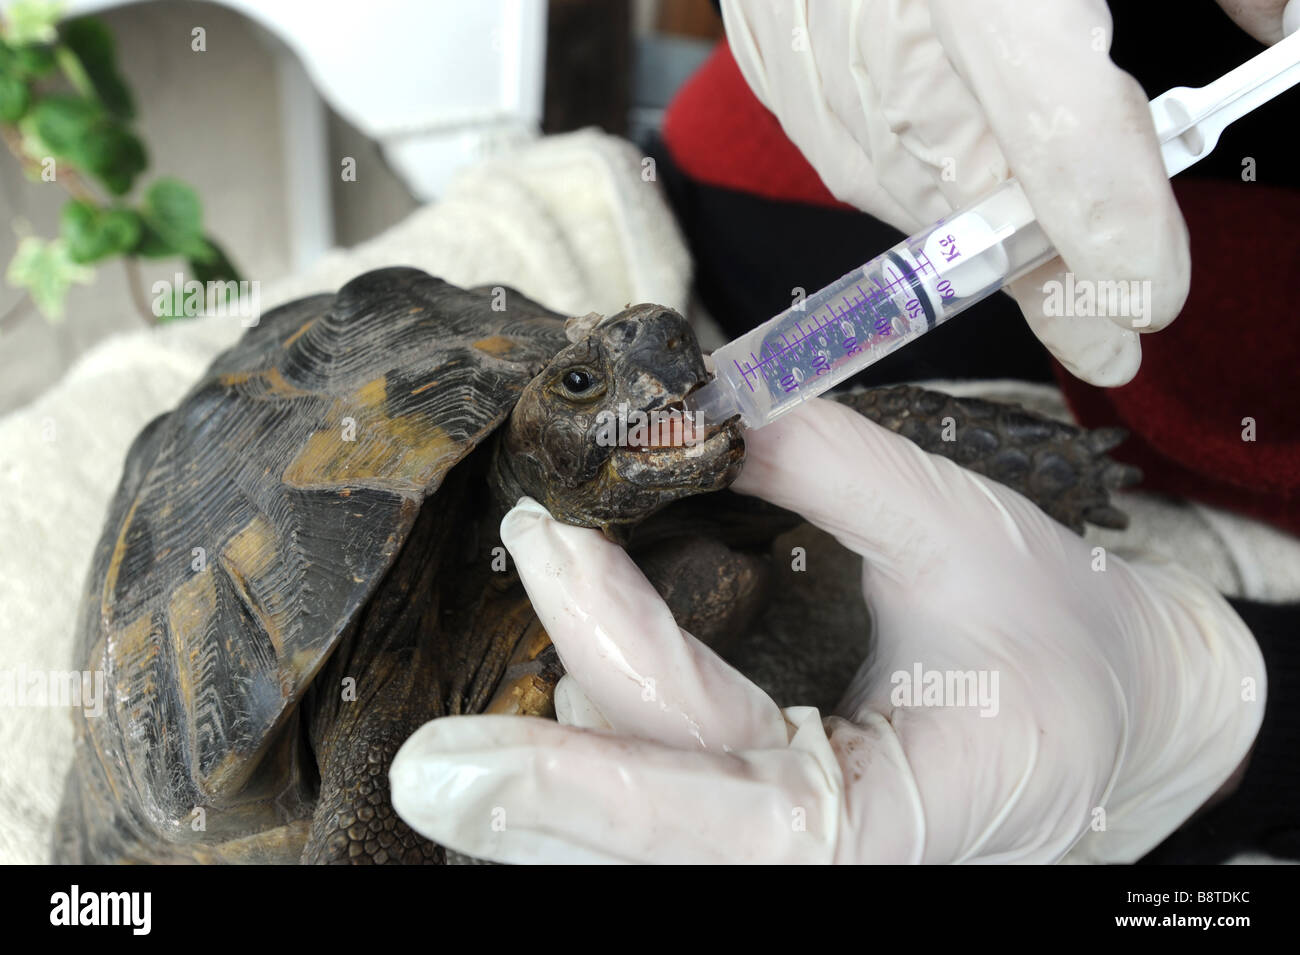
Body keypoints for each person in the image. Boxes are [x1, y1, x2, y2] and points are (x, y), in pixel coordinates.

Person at [387, 0, 1299, 863]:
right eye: (585, 383)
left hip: (1087, 291)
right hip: (829, 147)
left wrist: (1223, 704)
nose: (661, 345)